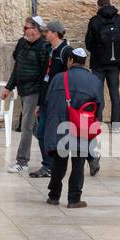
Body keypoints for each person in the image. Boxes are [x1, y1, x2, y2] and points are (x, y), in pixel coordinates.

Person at [42, 47, 103, 208]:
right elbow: (99, 107)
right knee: (78, 164)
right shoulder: (95, 81)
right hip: (81, 127)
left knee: (59, 162)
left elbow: (47, 102)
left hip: (59, 126)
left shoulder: (58, 78)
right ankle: (74, 199)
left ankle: (54, 196)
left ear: (70, 60)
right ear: (84, 63)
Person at [4, 16, 48, 173]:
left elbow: (45, 73)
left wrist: (41, 99)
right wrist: (8, 87)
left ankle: (22, 161)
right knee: (36, 128)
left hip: (34, 91)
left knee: (26, 126)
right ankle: (51, 153)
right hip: (22, 89)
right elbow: (17, 67)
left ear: (35, 29)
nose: (23, 31)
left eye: (25, 28)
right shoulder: (22, 43)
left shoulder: (44, 46)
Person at [29, 20, 72, 178]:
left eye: (47, 32)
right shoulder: (51, 50)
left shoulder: (66, 51)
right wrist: (40, 103)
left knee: (55, 135)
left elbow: (71, 76)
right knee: (40, 133)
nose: (45, 34)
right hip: (47, 100)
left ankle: (51, 166)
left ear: (54, 33)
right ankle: (48, 164)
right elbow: (45, 78)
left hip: (58, 102)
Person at [84, 0, 120, 123]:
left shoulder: (95, 20)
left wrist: (98, 52)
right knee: (115, 93)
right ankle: (116, 125)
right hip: (115, 63)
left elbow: (88, 43)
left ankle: (97, 123)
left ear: (99, 6)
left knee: (98, 93)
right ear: (110, 4)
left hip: (98, 63)